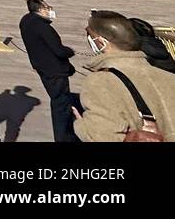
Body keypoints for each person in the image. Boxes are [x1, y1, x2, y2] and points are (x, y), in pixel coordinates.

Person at [75, 10, 175, 142]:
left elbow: (104, 136)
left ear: (100, 42)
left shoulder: (101, 81)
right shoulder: (167, 75)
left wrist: (82, 126)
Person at [19, 0, 79, 142]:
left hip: (42, 67)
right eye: (47, 7)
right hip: (55, 70)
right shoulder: (44, 27)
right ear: (40, 9)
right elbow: (59, 51)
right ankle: (64, 137)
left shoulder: (26, 21)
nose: (49, 10)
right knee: (61, 104)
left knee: (58, 99)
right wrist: (70, 51)